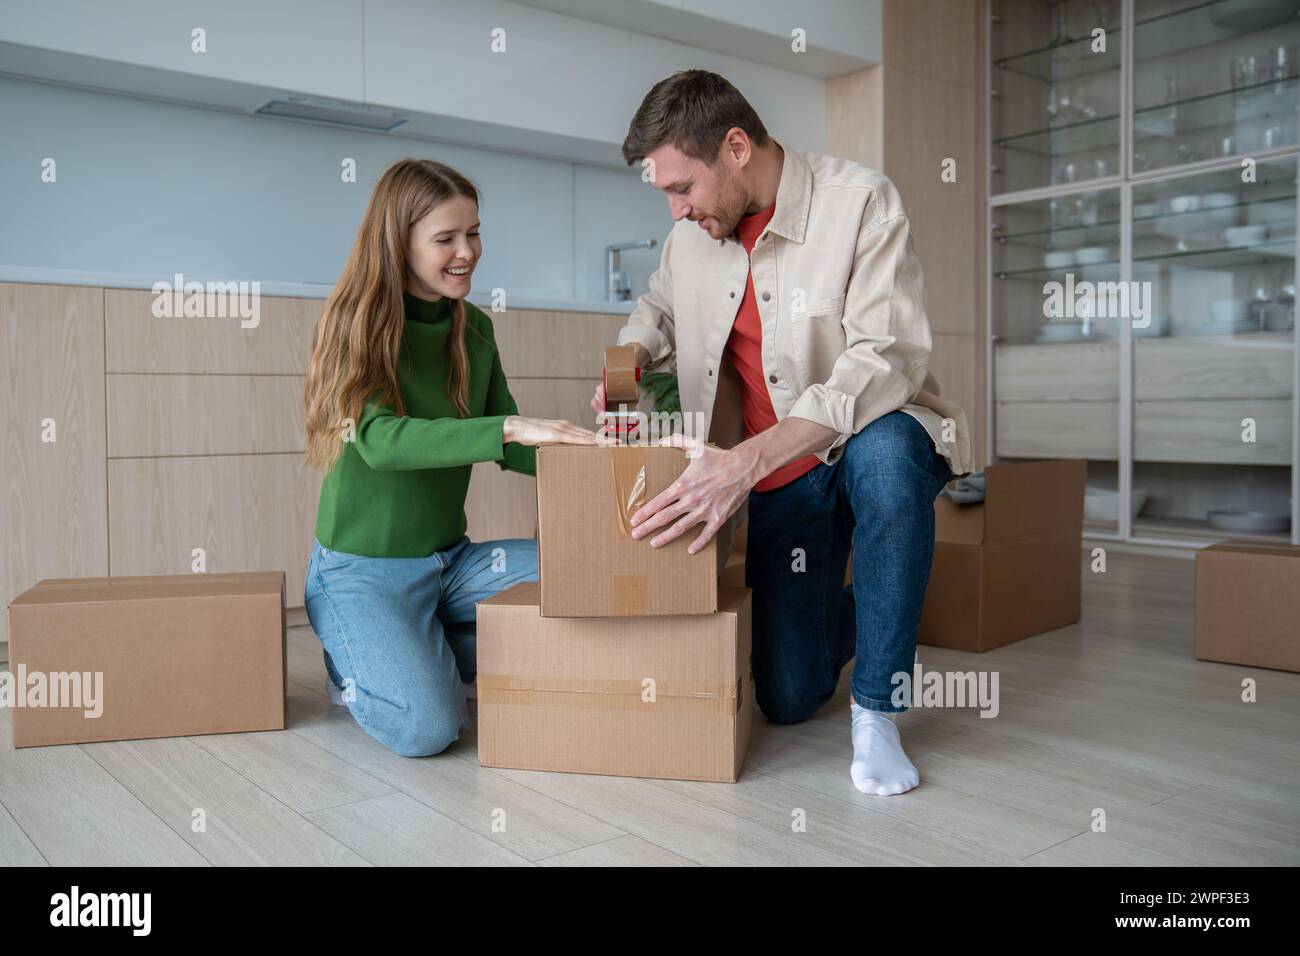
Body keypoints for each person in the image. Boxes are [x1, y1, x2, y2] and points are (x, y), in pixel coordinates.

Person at [592, 71, 975, 795]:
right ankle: (889, 599)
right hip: (780, 478)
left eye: (683, 188)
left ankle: (878, 711)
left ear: (735, 146)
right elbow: (659, 307)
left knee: (889, 458)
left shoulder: (860, 202)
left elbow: (884, 357)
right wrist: (632, 354)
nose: (676, 210)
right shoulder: (692, 240)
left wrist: (743, 462)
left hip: (861, 436)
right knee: (790, 696)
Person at [302, 158, 600, 757]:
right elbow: (383, 442)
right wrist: (510, 427)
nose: (467, 251)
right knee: (428, 728)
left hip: (454, 564)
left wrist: (607, 462)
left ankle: (422, 640)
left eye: (474, 232)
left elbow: (513, 453)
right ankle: (352, 661)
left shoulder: (475, 330)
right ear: (399, 243)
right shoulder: (353, 325)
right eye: (446, 238)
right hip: (363, 570)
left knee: (587, 570)